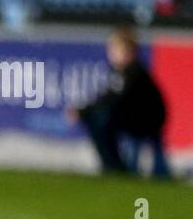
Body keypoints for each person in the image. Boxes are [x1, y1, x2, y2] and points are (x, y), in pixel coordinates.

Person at [71, 28, 170, 177]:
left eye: (114, 49)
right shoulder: (120, 72)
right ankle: (114, 166)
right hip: (135, 120)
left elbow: (115, 98)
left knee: (102, 120)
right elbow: (108, 96)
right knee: (97, 119)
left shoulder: (133, 72)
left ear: (128, 52)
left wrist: (84, 110)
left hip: (145, 122)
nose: (110, 53)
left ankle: (116, 167)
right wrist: (85, 110)